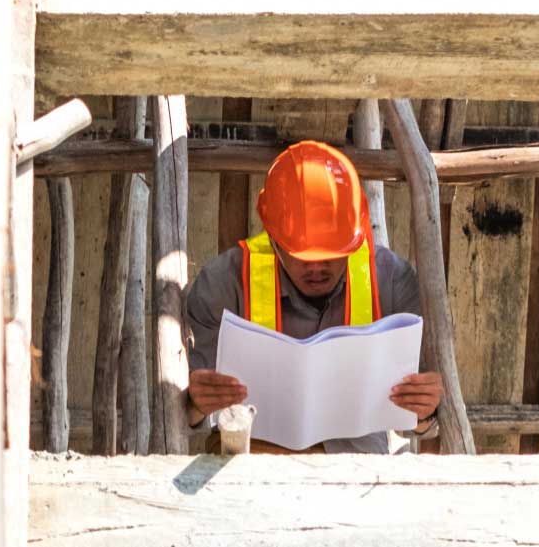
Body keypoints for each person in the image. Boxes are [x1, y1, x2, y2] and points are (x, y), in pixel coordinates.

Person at [183, 140, 443, 453]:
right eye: (302, 255)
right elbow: (182, 413)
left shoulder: (391, 280)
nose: (317, 267)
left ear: (354, 240)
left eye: (332, 254)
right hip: (253, 462)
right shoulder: (223, 284)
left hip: (357, 468)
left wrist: (424, 412)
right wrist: (195, 403)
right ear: (274, 240)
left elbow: (424, 422)